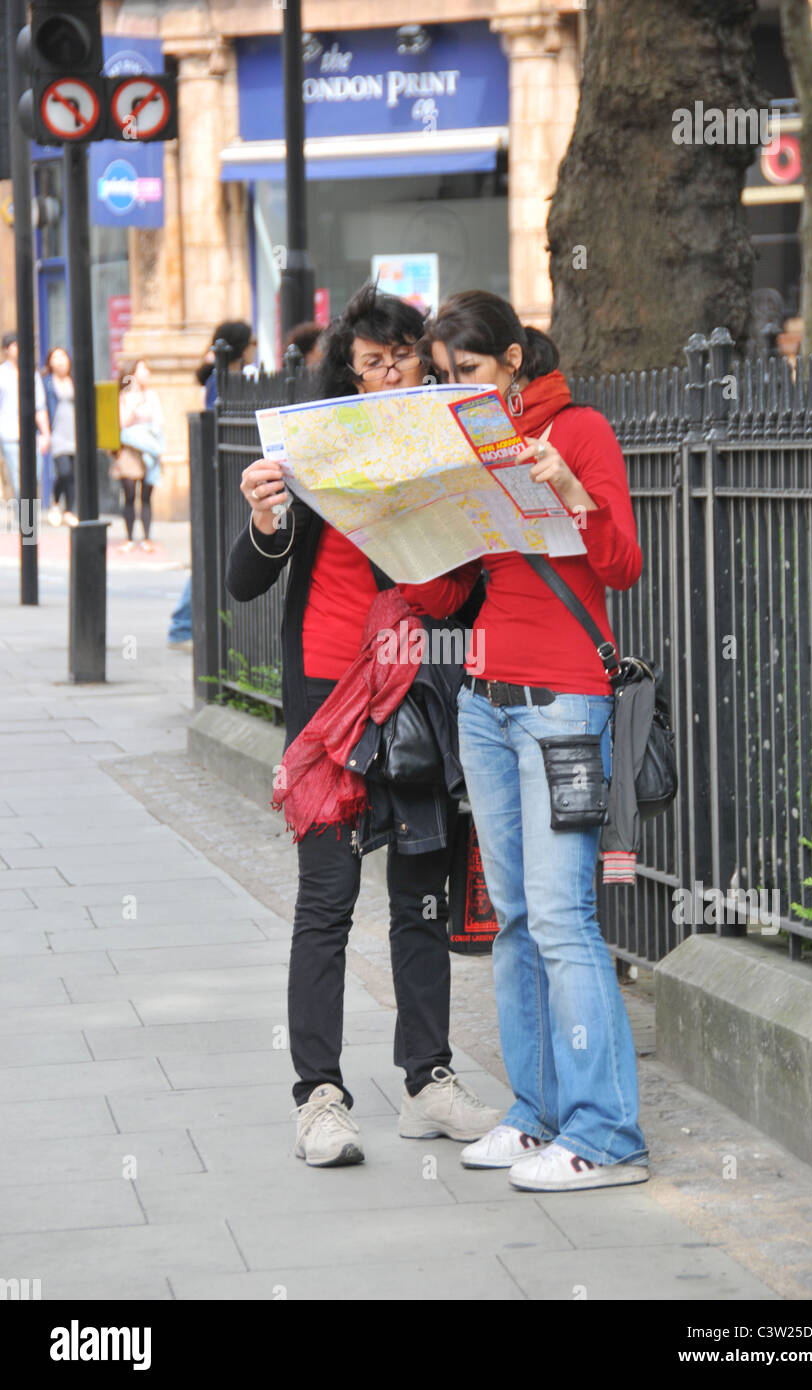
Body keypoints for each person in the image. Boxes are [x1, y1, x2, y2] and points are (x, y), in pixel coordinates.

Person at [225, 282, 500, 1167]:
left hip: (419, 691)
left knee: (420, 896)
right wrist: (266, 515)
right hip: (328, 696)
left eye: (402, 358)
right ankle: (320, 1097)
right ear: (349, 376)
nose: (389, 375)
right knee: (327, 900)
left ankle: (426, 1079)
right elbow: (244, 582)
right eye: (372, 364)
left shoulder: (444, 446)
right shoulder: (314, 451)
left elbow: (478, 578)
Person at [424, 290, 649, 1193]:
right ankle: (537, 1115)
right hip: (484, 697)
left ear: (513, 359)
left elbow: (621, 565)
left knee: (561, 919)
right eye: (444, 377)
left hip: (560, 701)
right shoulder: (468, 442)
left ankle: (607, 1133)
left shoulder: (581, 428)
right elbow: (447, 599)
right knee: (512, 920)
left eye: (468, 372)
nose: (456, 389)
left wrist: (565, 486)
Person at [168, 322, 257, 649]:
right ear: (239, 346)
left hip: (225, 475)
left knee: (218, 550)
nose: (255, 348)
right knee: (213, 551)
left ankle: (188, 625)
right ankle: (181, 625)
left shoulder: (226, 378)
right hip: (218, 477)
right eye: (252, 342)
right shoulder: (221, 380)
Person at [113, 359, 164, 554]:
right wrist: (135, 405)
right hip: (129, 450)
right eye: (143, 369)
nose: (147, 373)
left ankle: (147, 537)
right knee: (129, 495)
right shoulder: (124, 396)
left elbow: (159, 420)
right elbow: (123, 422)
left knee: (146, 496)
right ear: (133, 373)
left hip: (149, 449)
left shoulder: (152, 395)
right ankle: (128, 537)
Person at [0, 332, 51, 501]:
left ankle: (29, 522)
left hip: (31, 435)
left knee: (33, 479)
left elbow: (40, 405)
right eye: (14, 345)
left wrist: (45, 433)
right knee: (18, 481)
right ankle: (27, 524)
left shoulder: (32, 373)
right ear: (6, 350)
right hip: (10, 434)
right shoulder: (2, 374)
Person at [42, 347, 76, 526]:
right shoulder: (46, 383)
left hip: (74, 432)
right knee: (64, 471)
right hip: (57, 433)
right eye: (55, 357)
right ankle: (55, 503)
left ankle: (69, 510)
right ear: (49, 362)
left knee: (73, 475)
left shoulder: (74, 380)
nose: (61, 361)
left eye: (63, 356)